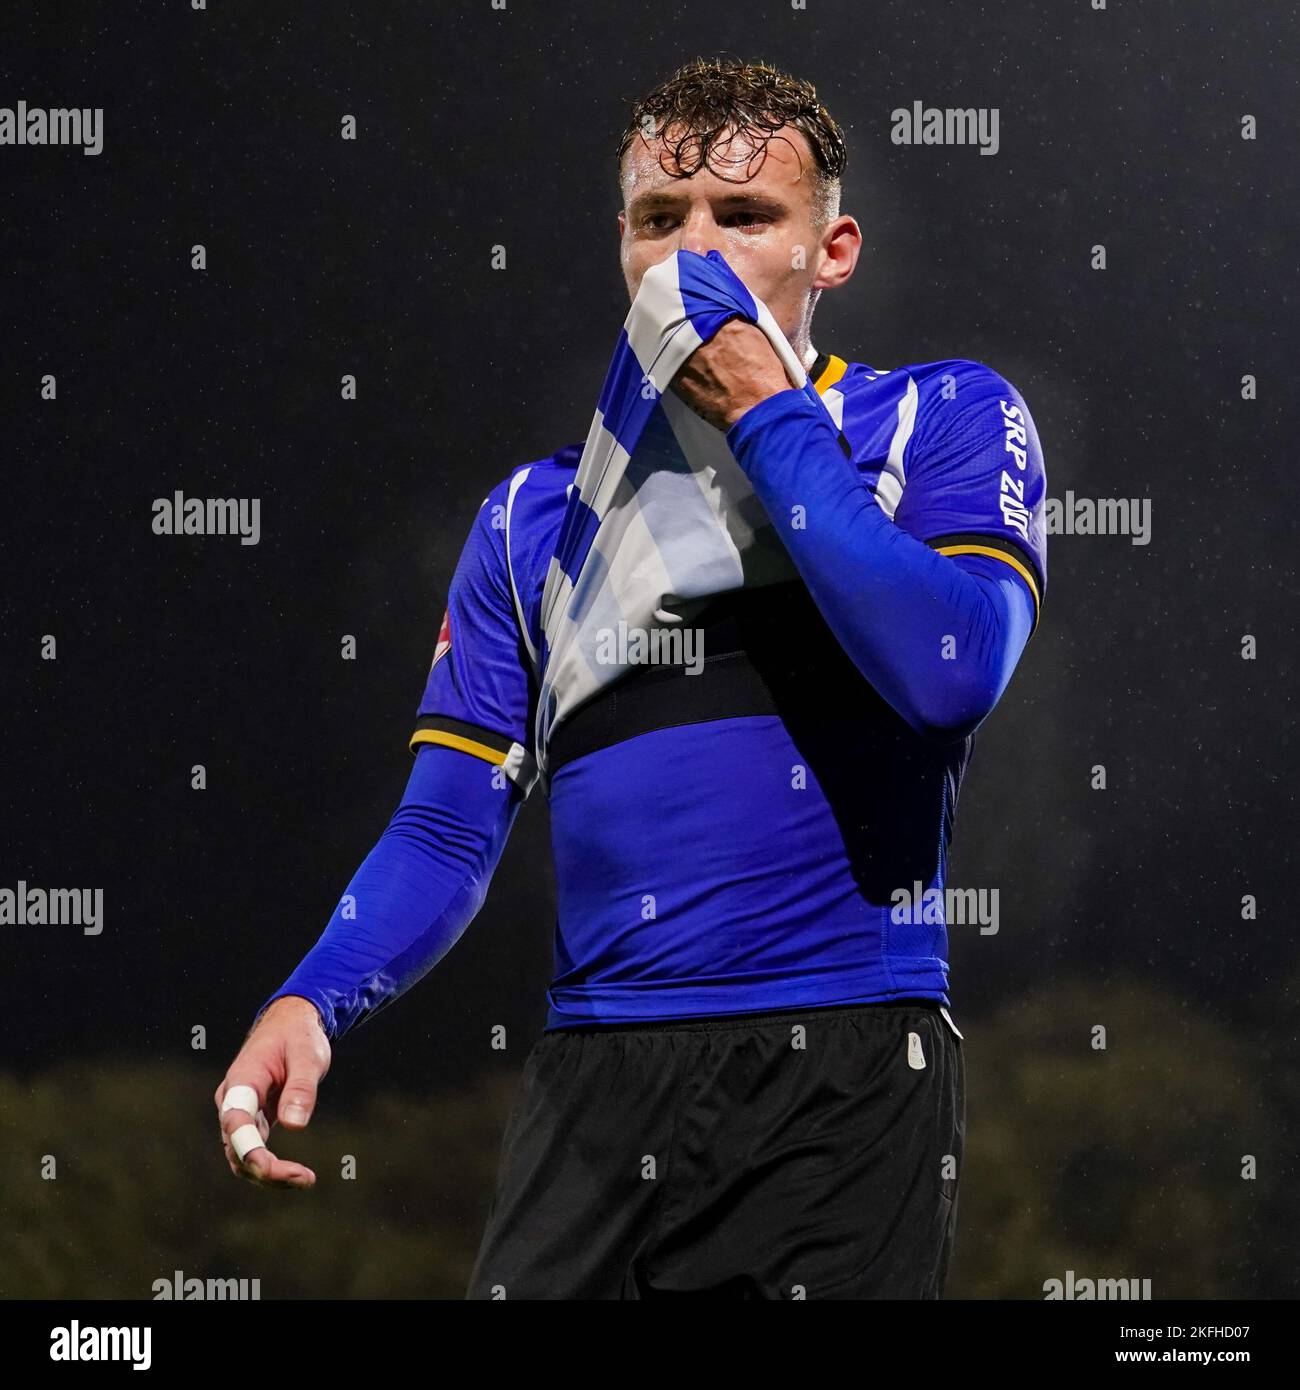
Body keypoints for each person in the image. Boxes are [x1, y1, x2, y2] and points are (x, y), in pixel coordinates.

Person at [215, 56, 1047, 1300]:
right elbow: (449, 827)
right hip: (593, 1082)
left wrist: (766, 411)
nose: (692, 256)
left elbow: (950, 670)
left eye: (745, 218)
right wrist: (313, 998)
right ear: (621, 242)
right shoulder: (528, 518)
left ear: (832, 252)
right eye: (662, 220)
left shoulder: (938, 416)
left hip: (838, 1061)